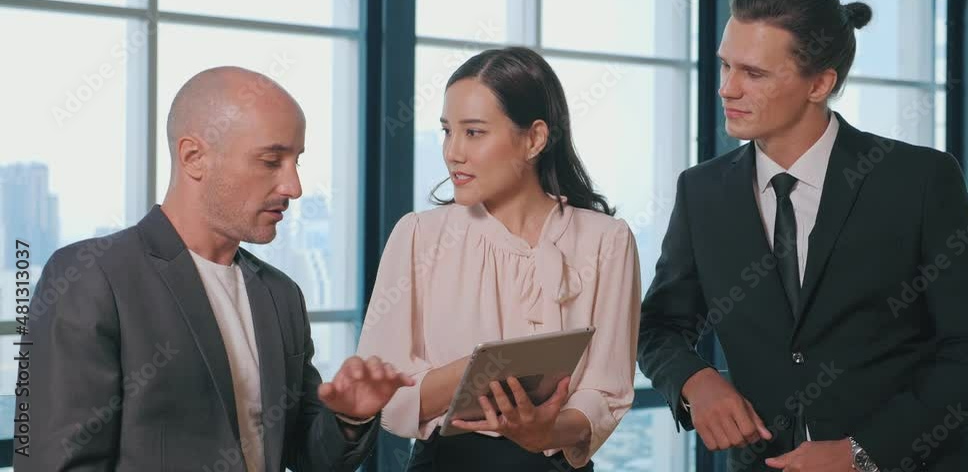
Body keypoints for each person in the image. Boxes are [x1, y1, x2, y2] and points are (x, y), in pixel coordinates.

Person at [638, 0, 968, 472]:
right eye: (725, 65)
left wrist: (864, 452)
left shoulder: (917, 179)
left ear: (820, 83)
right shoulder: (701, 191)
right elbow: (659, 326)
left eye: (754, 73)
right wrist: (695, 382)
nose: (727, 88)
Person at [16, 67, 413, 471]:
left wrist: (348, 417)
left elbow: (310, 455)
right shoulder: (92, 278)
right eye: (272, 161)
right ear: (194, 157)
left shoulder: (281, 294)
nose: (294, 186)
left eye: (296, 162)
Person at [356, 46, 641, 471]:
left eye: (473, 132)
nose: (453, 152)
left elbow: (606, 391)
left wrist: (546, 431)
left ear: (535, 139)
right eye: (446, 131)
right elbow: (383, 399)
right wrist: (479, 370)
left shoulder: (607, 240)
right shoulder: (418, 235)